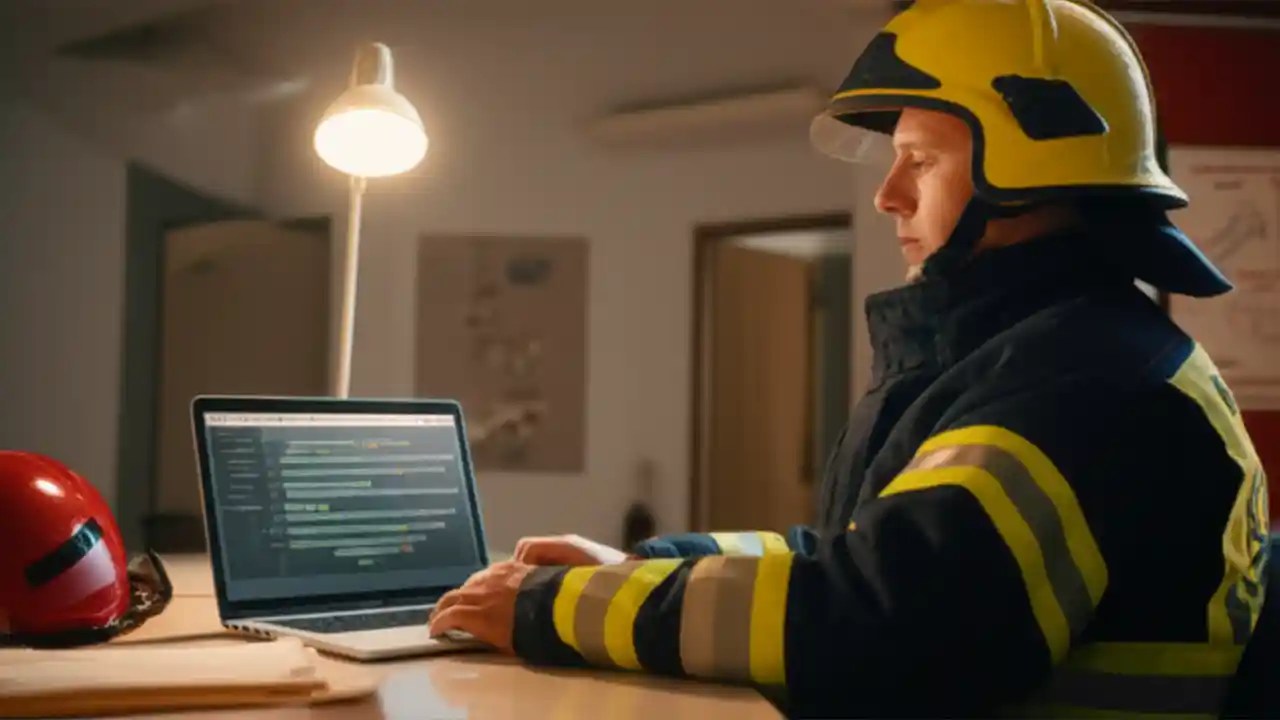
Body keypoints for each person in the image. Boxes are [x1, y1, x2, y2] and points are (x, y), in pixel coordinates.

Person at [428, 1, 1271, 716]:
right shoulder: (1051, 352)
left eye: (922, 161)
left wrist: (558, 609)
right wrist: (648, 567)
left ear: (1034, 162)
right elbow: (862, 556)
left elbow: (882, 625)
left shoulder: (1085, 388)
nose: (887, 194)